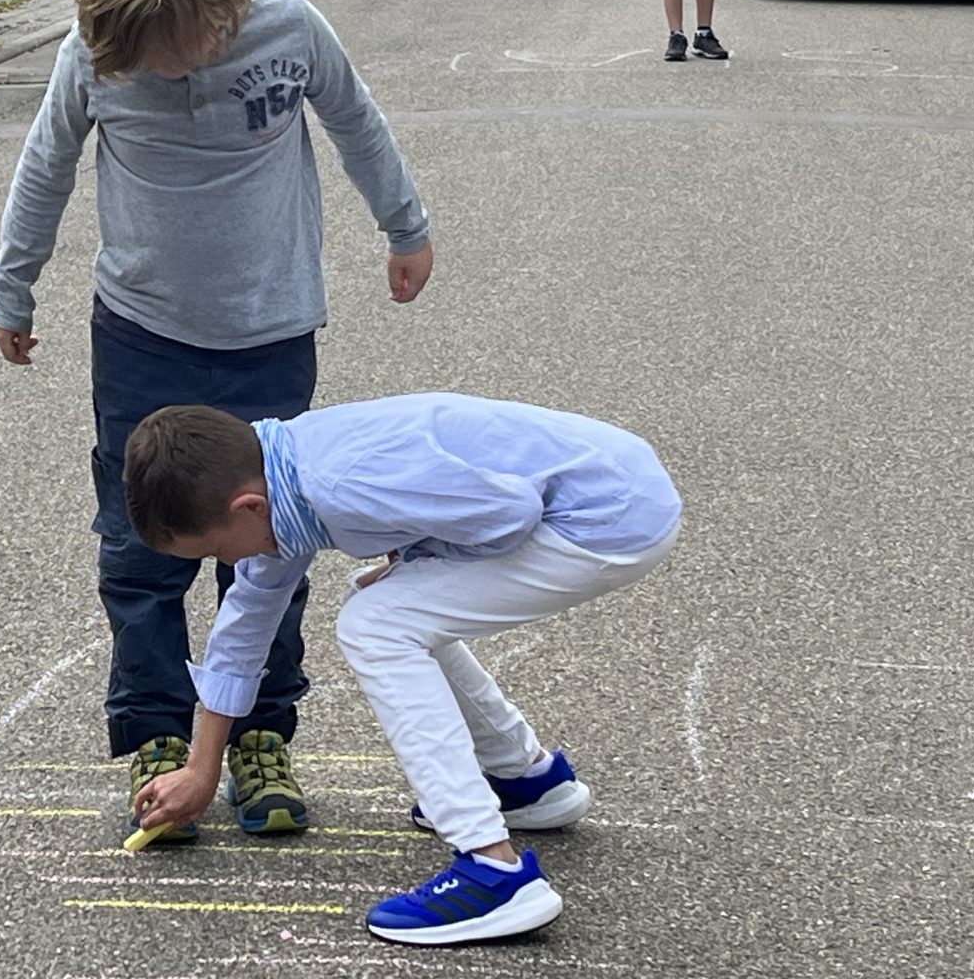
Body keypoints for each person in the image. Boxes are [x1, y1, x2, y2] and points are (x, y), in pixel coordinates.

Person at [0, 0, 434, 841]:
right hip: (143, 335)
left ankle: (261, 732)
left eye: (180, 41)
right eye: (142, 50)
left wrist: (406, 227)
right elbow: (46, 168)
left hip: (270, 332)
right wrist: (11, 286)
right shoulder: (94, 55)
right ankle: (155, 733)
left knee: (270, 539)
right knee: (138, 544)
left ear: (221, 0)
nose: (166, 64)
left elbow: (358, 121)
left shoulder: (288, 28)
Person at [124, 395, 680, 945]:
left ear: (247, 508)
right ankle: (525, 780)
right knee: (397, 610)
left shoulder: (343, 485)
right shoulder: (280, 477)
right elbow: (244, 626)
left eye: (217, 550)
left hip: (605, 518)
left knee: (377, 623)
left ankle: (493, 872)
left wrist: (416, 556)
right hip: (608, 486)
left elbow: (508, 514)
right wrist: (203, 767)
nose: (226, 563)